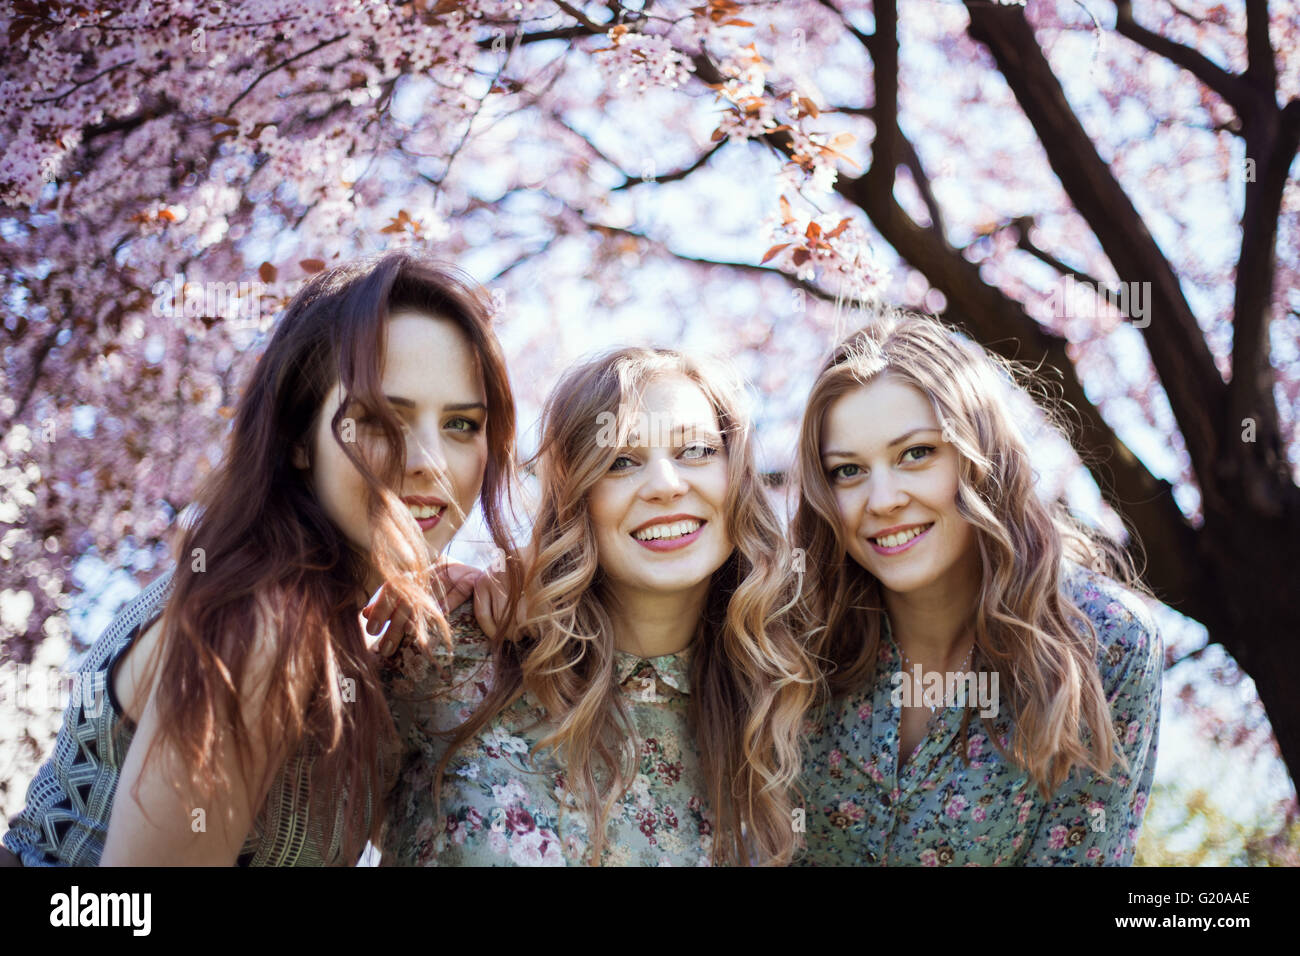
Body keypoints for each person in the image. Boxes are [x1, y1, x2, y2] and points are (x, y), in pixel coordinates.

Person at [1, 252, 519, 865]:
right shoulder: (261, 627)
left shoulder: (345, 625)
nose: (429, 461)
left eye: (461, 425)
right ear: (298, 438)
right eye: (381, 419)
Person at [379, 348, 817, 865]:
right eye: (621, 461)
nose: (665, 485)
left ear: (738, 475)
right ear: (575, 498)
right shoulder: (452, 650)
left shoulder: (790, 696)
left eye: (696, 450)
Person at [791, 309, 1162, 866]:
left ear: (981, 457)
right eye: (847, 470)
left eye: (916, 454)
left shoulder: (1103, 641)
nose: (883, 499)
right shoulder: (791, 638)